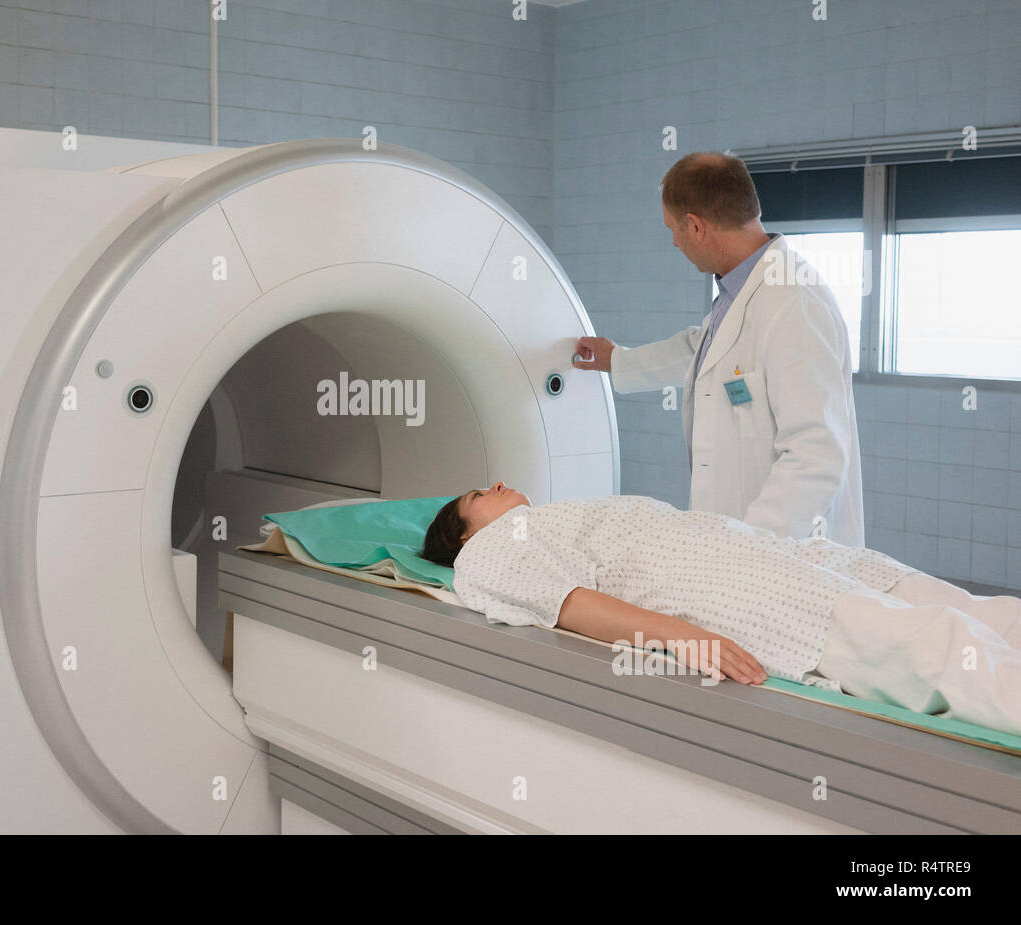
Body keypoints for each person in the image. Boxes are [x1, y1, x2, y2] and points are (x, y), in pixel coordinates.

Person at [420, 482, 1021, 736]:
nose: (497, 485)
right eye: (480, 495)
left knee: (974, 612)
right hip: (752, 598)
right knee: (938, 645)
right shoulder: (490, 552)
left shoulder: (546, 520)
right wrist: (684, 636)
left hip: (779, 560)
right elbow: (574, 606)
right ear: (466, 537)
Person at [574, 152, 864, 546]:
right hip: (735, 545)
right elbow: (705, 350)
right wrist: (617, 360)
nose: (674, 242)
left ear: (695, 226)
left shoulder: (795, 300)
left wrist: (748, 547)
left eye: (673, 230)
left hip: (784, 555)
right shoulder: (739, 289)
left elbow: (817, 455)